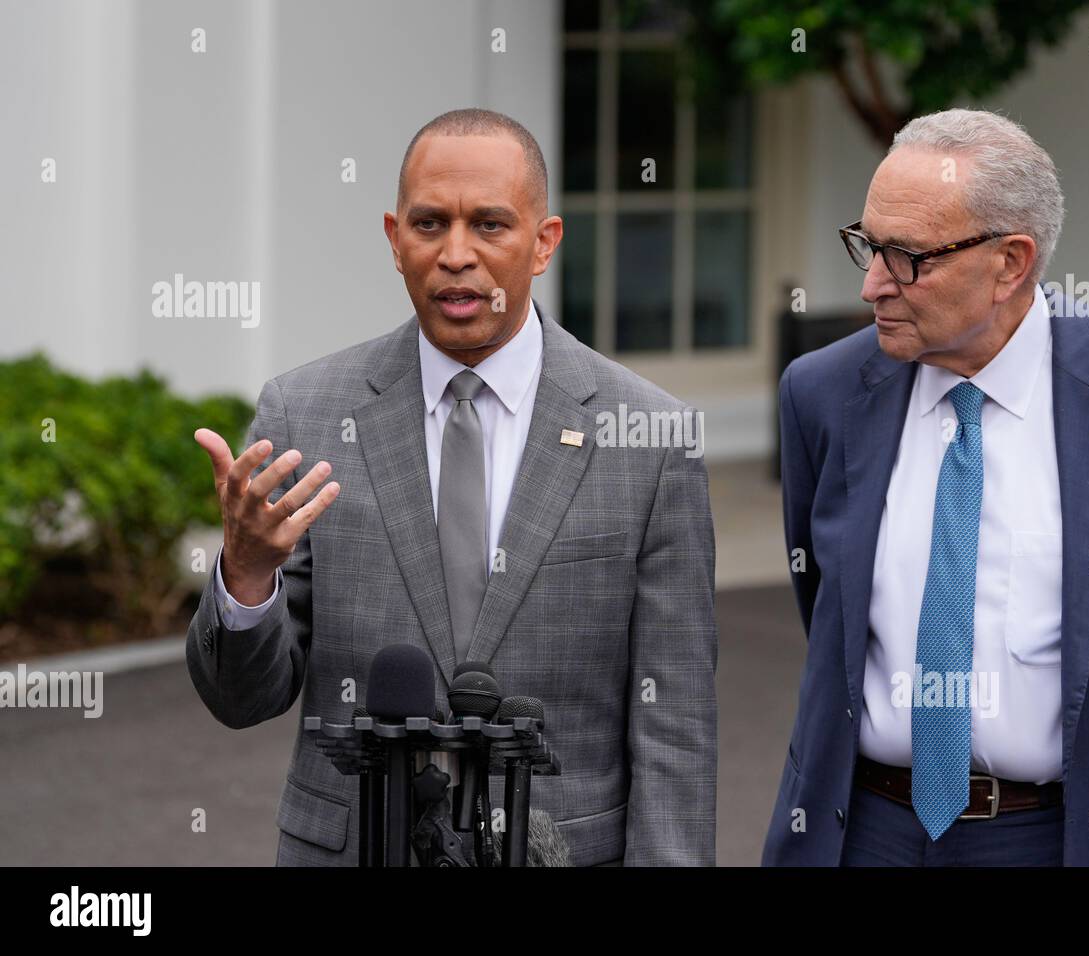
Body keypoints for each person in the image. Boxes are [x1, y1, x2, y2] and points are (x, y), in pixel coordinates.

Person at [189, 108, 717, 866]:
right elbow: (240, 700)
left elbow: (677, 726)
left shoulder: (651, 439)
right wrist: (245, 574)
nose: (456, 254)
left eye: (490, 225)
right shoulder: (302, 414)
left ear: (544, 243)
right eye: (429, 223)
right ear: (393, 238)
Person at [763, 108, 1089, 866]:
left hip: (1063, 837)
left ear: (1010, 263)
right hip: (860, 831)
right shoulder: (822, 394)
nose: (870, 285)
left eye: (905, 257)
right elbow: (825, 597)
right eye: (865, 243)